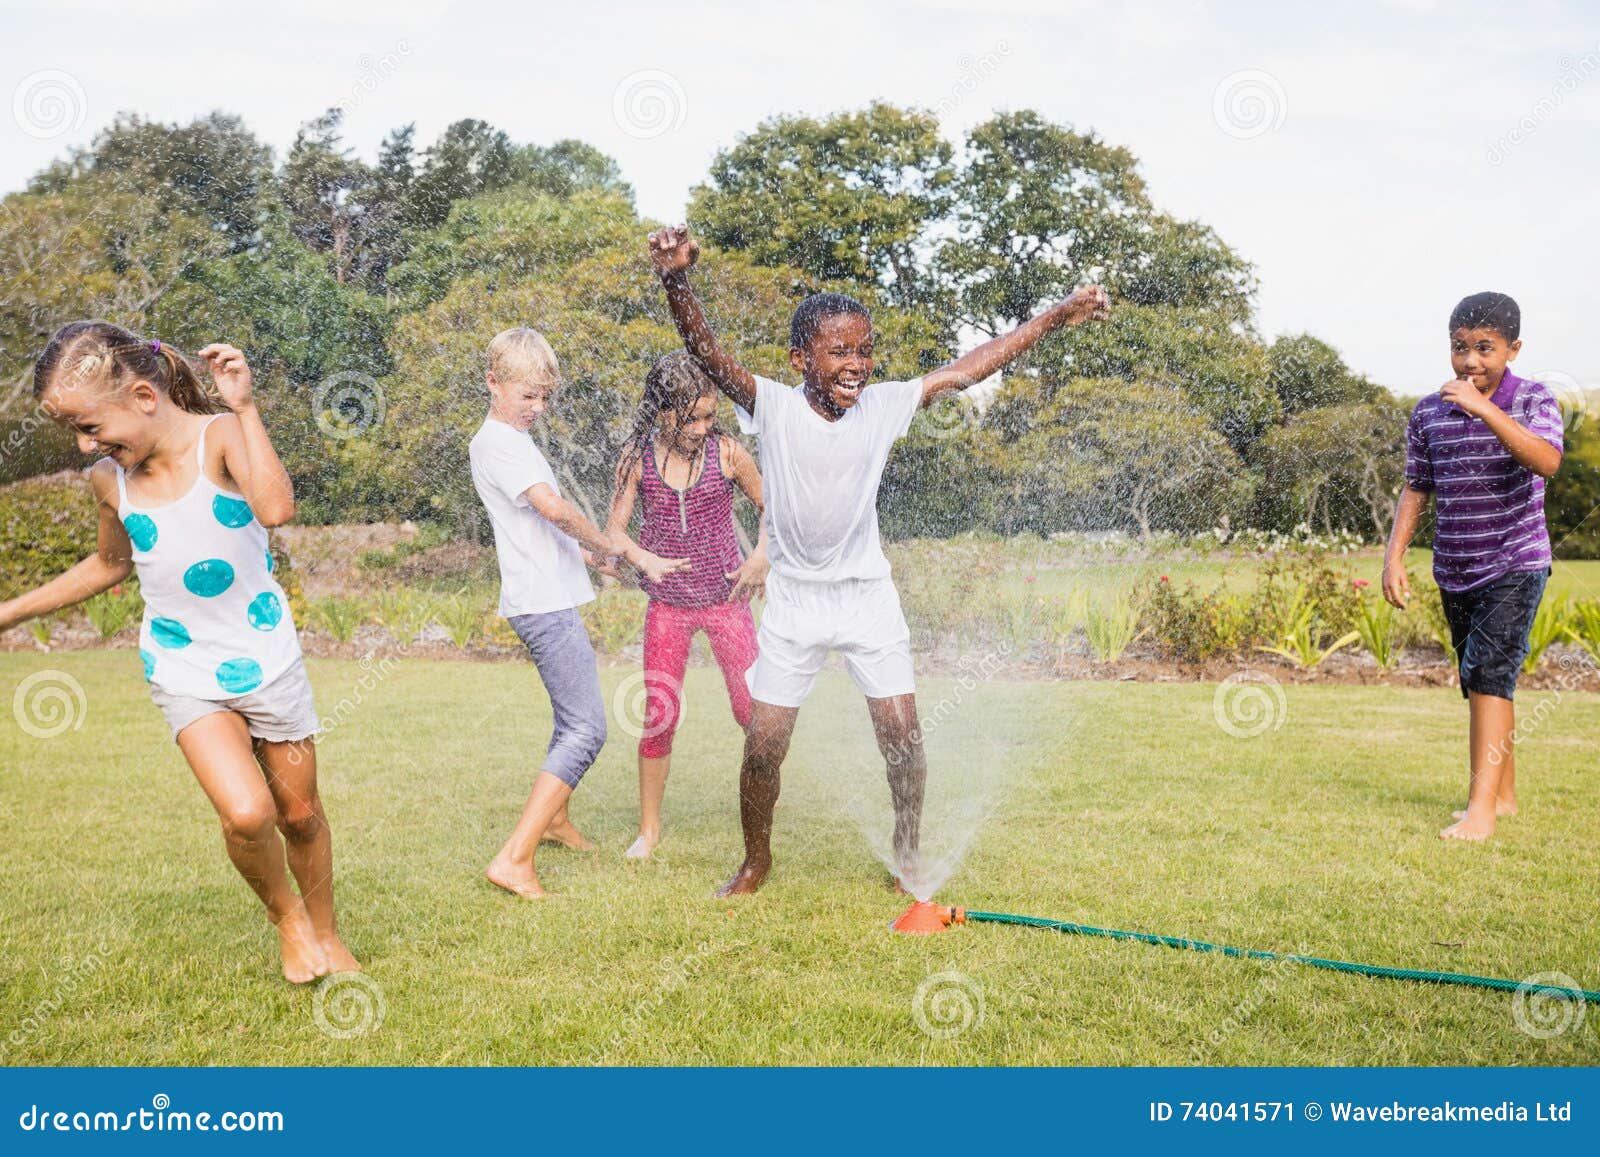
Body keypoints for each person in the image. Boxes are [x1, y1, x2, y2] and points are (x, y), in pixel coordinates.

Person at [647, 224, 1110, 895]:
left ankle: (907, 849)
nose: (857, 365)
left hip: (866, 595)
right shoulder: (771, 406)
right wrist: (676, 279)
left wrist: (1056, 316)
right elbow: (708, 352)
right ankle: (756, 860)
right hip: (796, 601)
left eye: (865, 351)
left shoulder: (884, 404)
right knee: (764, 747)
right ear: (802, 357)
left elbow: (972, 365)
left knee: (902, 734)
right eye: (840, 352)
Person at [0, 322, 358, 982]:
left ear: (142, 396)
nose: (86, 445)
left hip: (266, 657)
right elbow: (112, 563)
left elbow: (275, 508)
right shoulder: (110, 479)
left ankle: (327, 931)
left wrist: (245, 408)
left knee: (302, 817)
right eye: (74, 434)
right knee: (249, 814)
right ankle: (289, 920)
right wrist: (11, 611)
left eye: (89, 426)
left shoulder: (219, 437)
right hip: (183, 666)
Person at [469, 327, 684, 898]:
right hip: (541, 605)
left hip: (549, 594)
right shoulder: (498, 443)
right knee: (586, 728)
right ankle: (514, 857)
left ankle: (556, 820)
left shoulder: (514, 438)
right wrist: (612, 544)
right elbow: (553, 509)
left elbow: (538, 528)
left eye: (545, 397)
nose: (538, 408)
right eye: (527, 395)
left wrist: (590, 558)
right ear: (493, 383)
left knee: (573, 722)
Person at [1381, 292, 1564, 841]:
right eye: (1460, 348)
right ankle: (1501, 797)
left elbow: (1547, 461)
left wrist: (1485, 409)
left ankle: (1479, 813)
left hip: (1515, 560)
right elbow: (1417, 488)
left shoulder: (1532, 399)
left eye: (1485, 348)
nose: (1470, 362)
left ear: (1513, 348)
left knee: (1489, 675)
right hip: (1455, 566)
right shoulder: (1430, 411)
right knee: (1481, 681)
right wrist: (1393, 558)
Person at [605, 351, 769, 859]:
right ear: (661, 411)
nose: (701, 428)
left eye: (708, 417)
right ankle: (649, 830)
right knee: (659, 714)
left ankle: (765, 796)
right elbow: (614, 531)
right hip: (669, 606)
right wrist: (639, 555)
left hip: (726, 600)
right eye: (690, 417)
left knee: (753, 709)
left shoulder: (728, 454)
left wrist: (761, 557)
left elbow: (778, 509)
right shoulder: (636, 458)